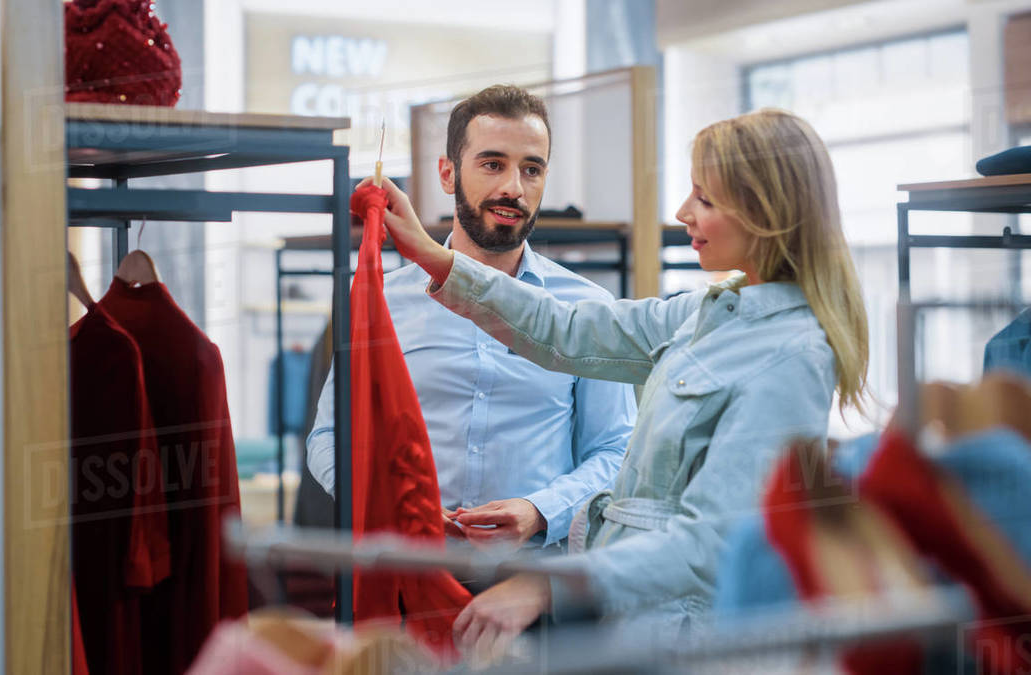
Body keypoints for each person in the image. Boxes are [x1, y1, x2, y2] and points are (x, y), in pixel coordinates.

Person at [363, 108, 870, 653]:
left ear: (764, 212)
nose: (681, 212)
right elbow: (570, 329)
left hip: (693, 640)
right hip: (635, 622)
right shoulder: (712, 312)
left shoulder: (791, 356)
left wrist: (549, 582)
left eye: (706, 199)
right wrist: (433, 257)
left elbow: (715, 541)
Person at [306, 85, 636, 551]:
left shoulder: (587, 308)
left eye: (532, 169)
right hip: (405, 575)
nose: (513, 188)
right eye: (492, 164)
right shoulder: (384, 300)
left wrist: (541, 510)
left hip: (530, 587)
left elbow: (616, 451)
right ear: (447, 174)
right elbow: (330, 437)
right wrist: (388, 502)